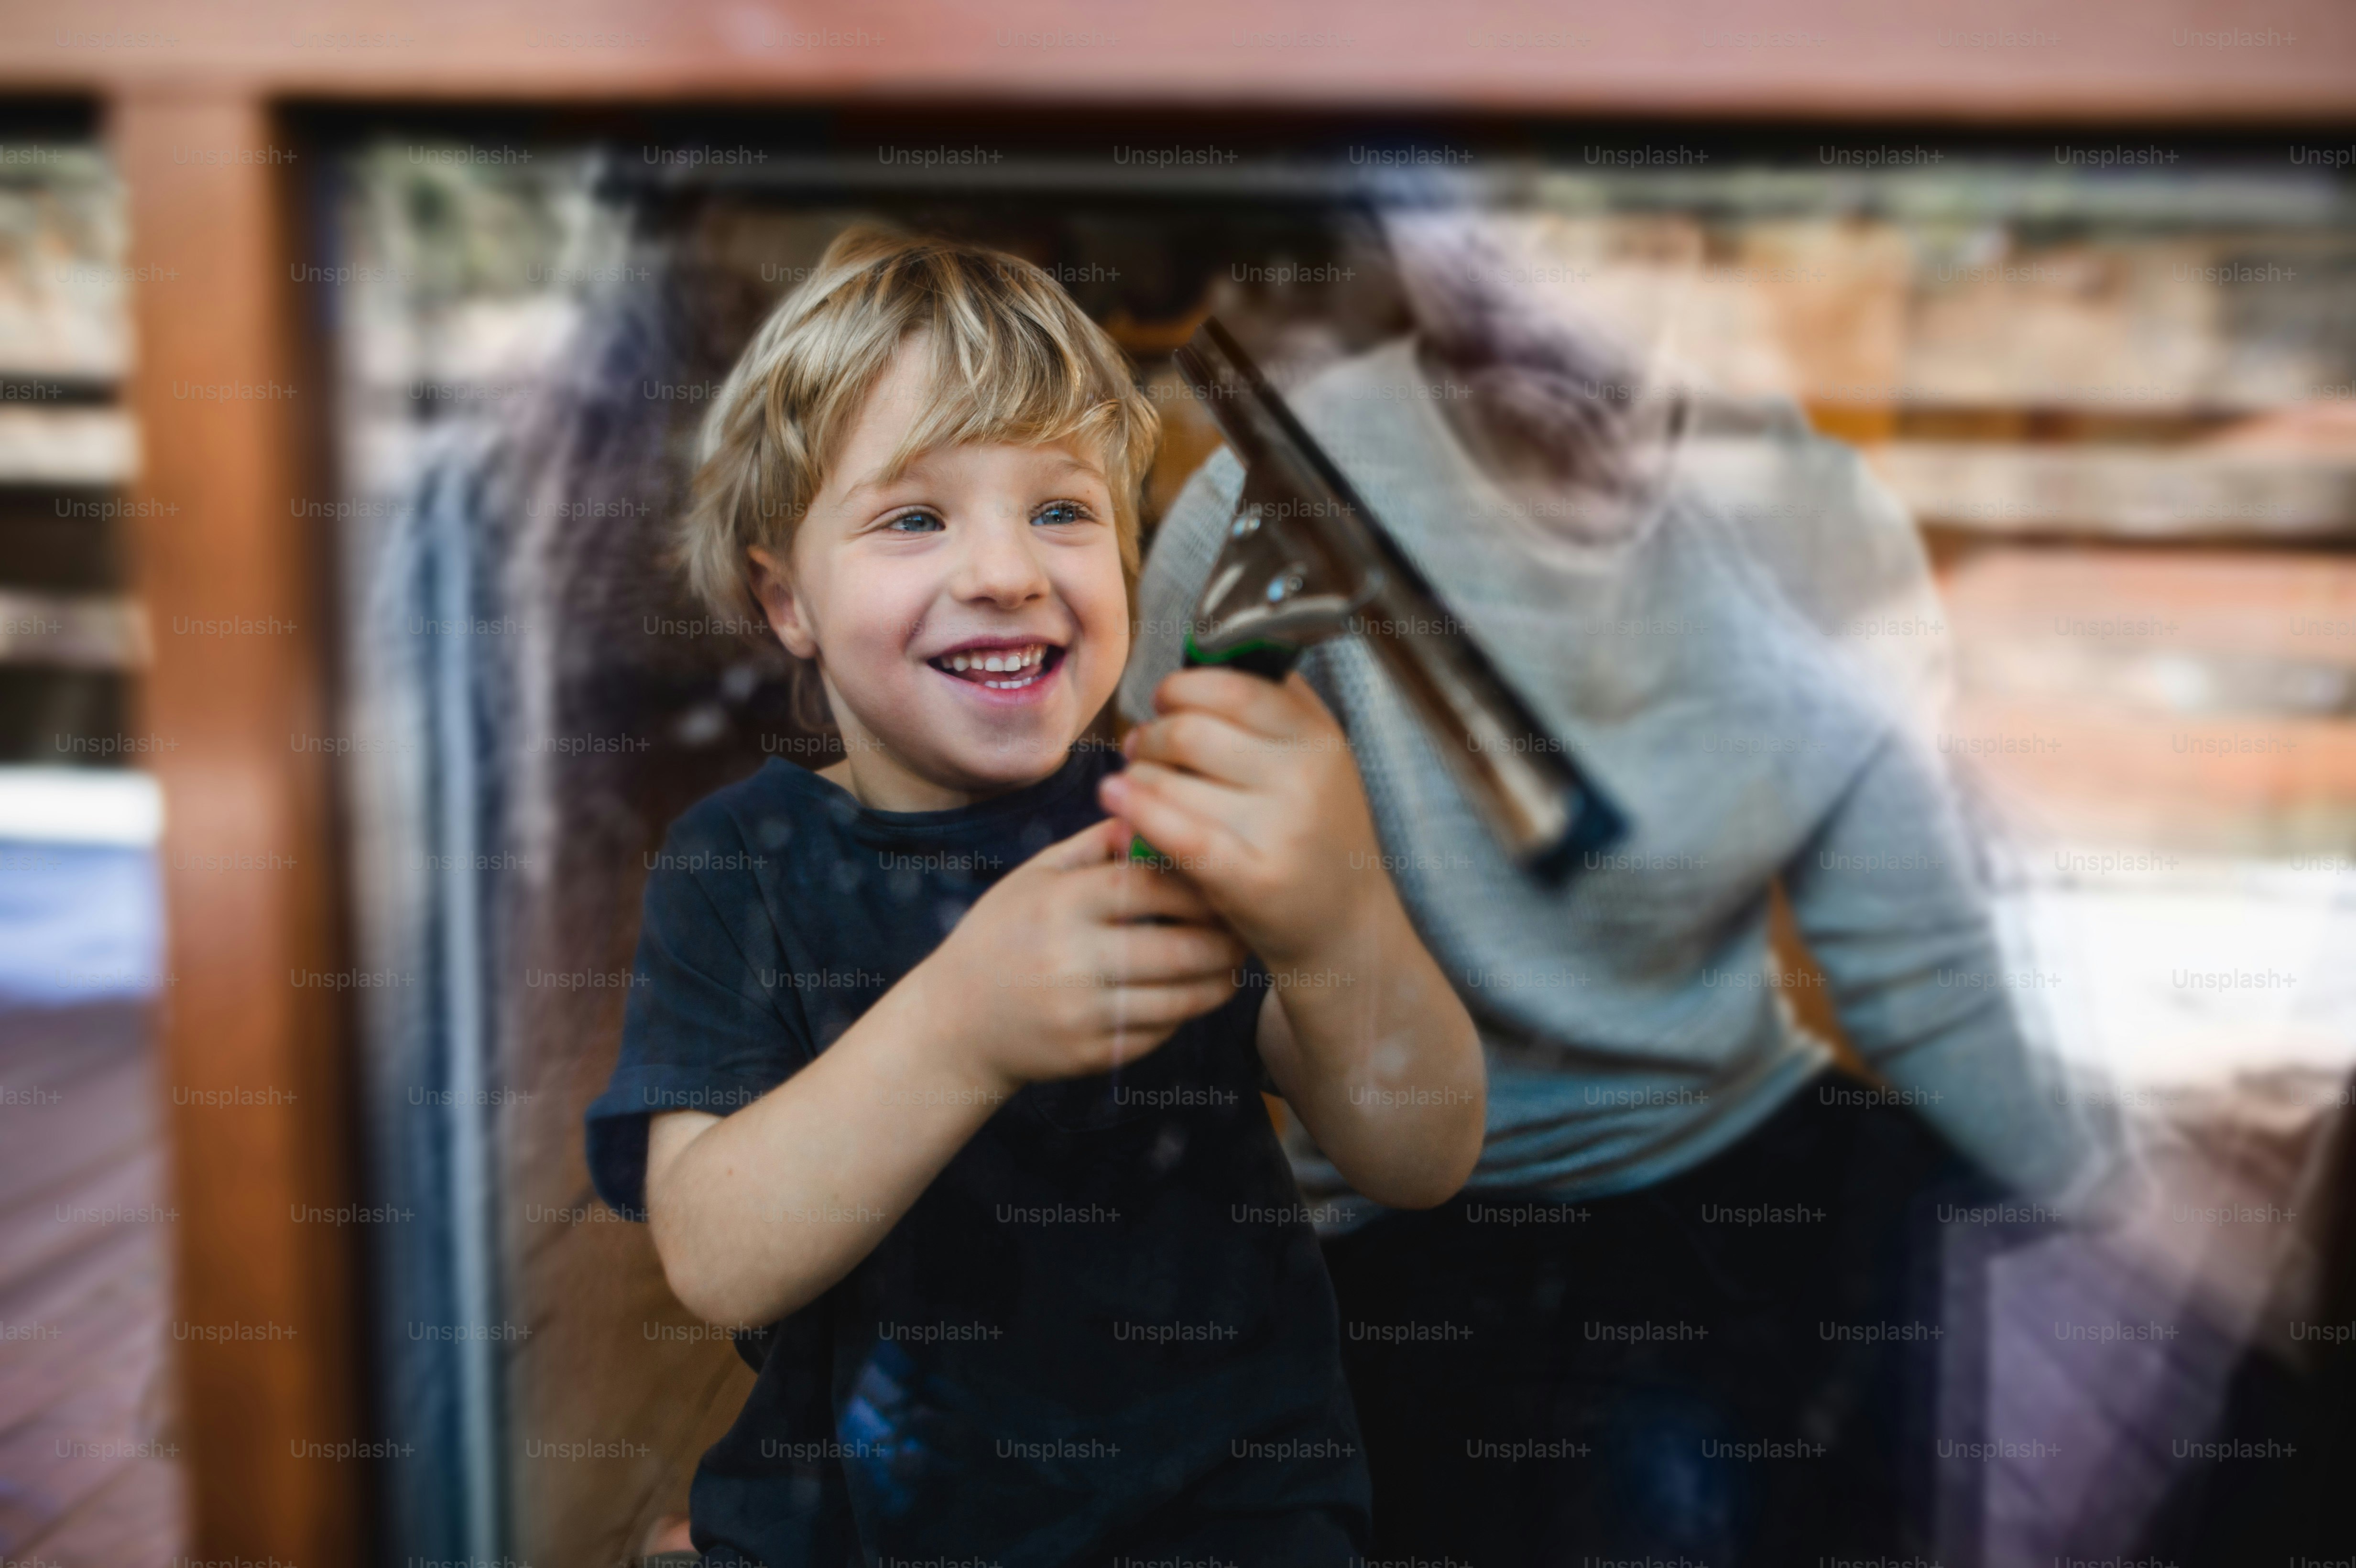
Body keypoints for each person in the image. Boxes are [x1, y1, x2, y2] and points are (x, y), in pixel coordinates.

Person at [1123, 210, 2122, 1565]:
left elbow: (1920, 966)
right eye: (1475, 209)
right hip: (1420, 1217)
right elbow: (1173, 957)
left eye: (1591, 207)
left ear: (1687, 232)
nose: (1523, 263)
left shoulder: (1815, 516)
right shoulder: (1272, 495)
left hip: (1743, 1141)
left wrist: (2129, 1221)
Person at [582, 228, 1485, 1568]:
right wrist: (964, 1024)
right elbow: (717, 1258)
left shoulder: (1172, 823)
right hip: (858, 1523)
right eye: (913, 517)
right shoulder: (741, 865)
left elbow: (1418, 1154)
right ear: (789, 603)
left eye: (1063, 510)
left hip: (1221, 1516)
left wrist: (1338, 919)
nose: (1008, 570)